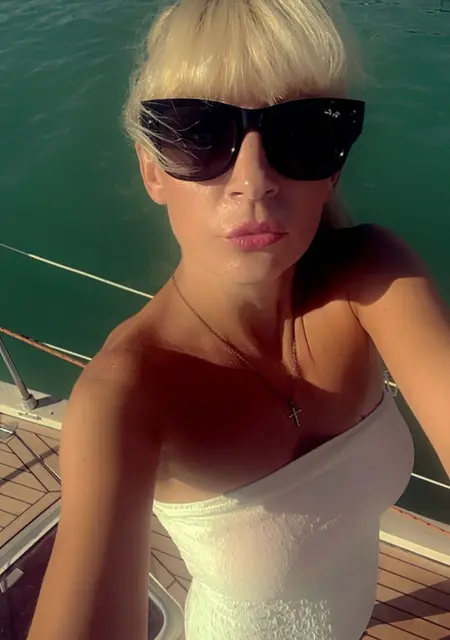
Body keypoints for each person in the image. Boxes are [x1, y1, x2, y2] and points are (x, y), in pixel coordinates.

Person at [27, 0, 450, 639]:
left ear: (333, 168)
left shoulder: (374, 278)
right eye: (199, 133)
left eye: (303, 134)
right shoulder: (126, 398)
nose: (253, 182)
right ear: (152, 171)